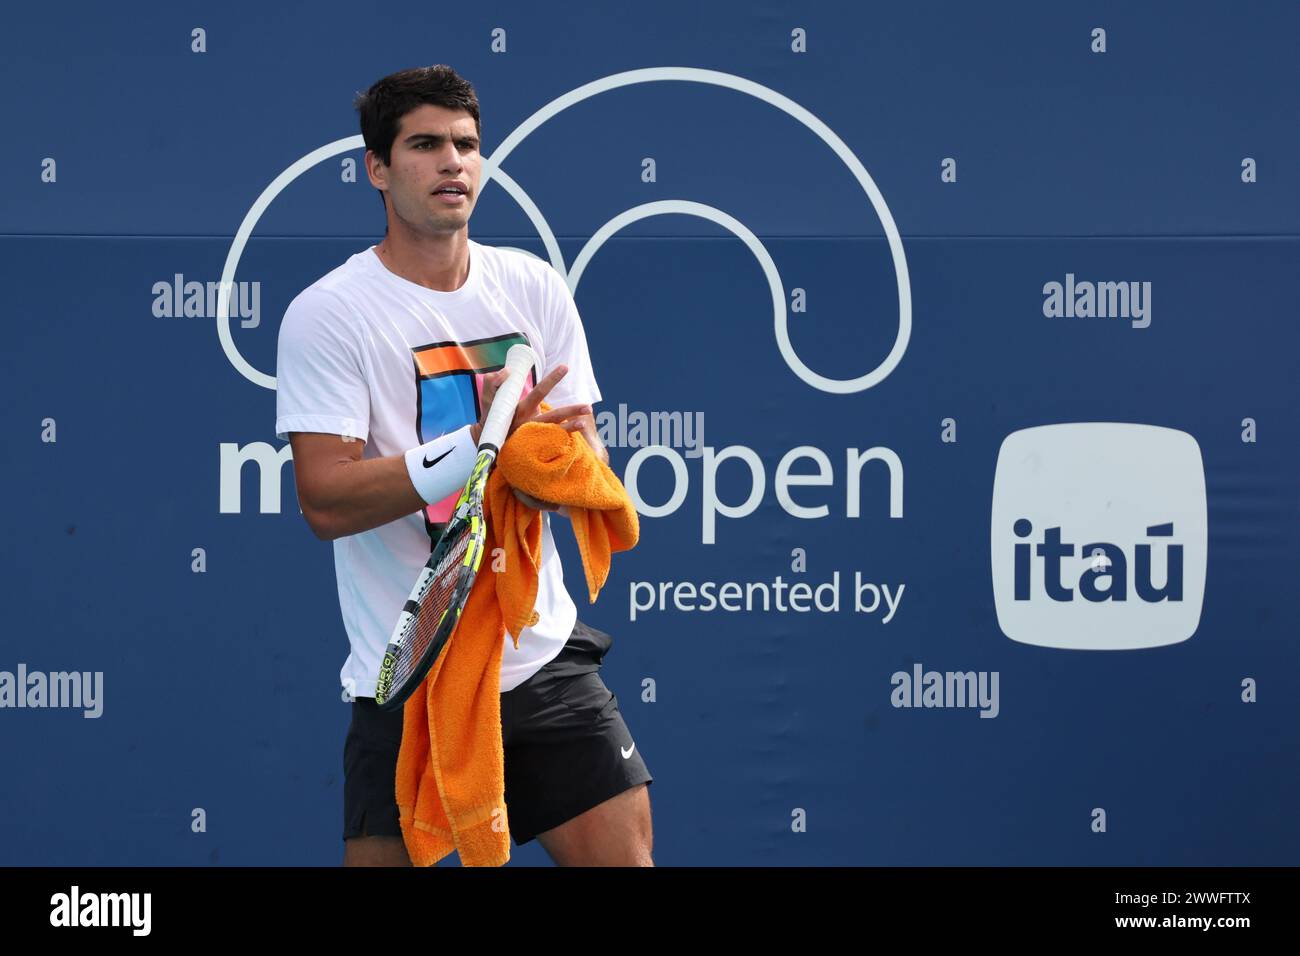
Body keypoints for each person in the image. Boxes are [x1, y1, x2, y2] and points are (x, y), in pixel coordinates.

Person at [274, 64, 653, 866]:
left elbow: (584, 455)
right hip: (409, 675)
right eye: (425, 145)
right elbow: (326, 501)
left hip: (542, 659)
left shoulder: (534, 286)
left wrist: (548, 461)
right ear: (377, 169)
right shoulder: (329, 314)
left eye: (467, 144)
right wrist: (481, 447)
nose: (453, 162)